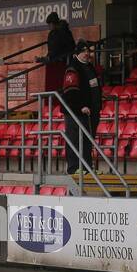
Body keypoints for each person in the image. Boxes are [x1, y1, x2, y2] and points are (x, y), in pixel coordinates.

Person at [61, 41, 102, 175]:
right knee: (74, 140)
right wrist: (80, 108)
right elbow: (70, 92)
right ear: (77, 53)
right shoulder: (72, 68)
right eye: (83, 51)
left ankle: (86, 167)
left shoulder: (90, 67)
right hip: (75, 112)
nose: (87, 54)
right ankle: (73, 168)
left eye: (88, 51)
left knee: (87, 140)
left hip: (91, 112)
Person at [35, 12, 76, 92]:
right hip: (61, 60)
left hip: (60, 61)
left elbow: (56, 49)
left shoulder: (58, 33)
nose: (49, 27)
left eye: (49, 25)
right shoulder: (62, 32)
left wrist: (48, 58)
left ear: (53, 23)